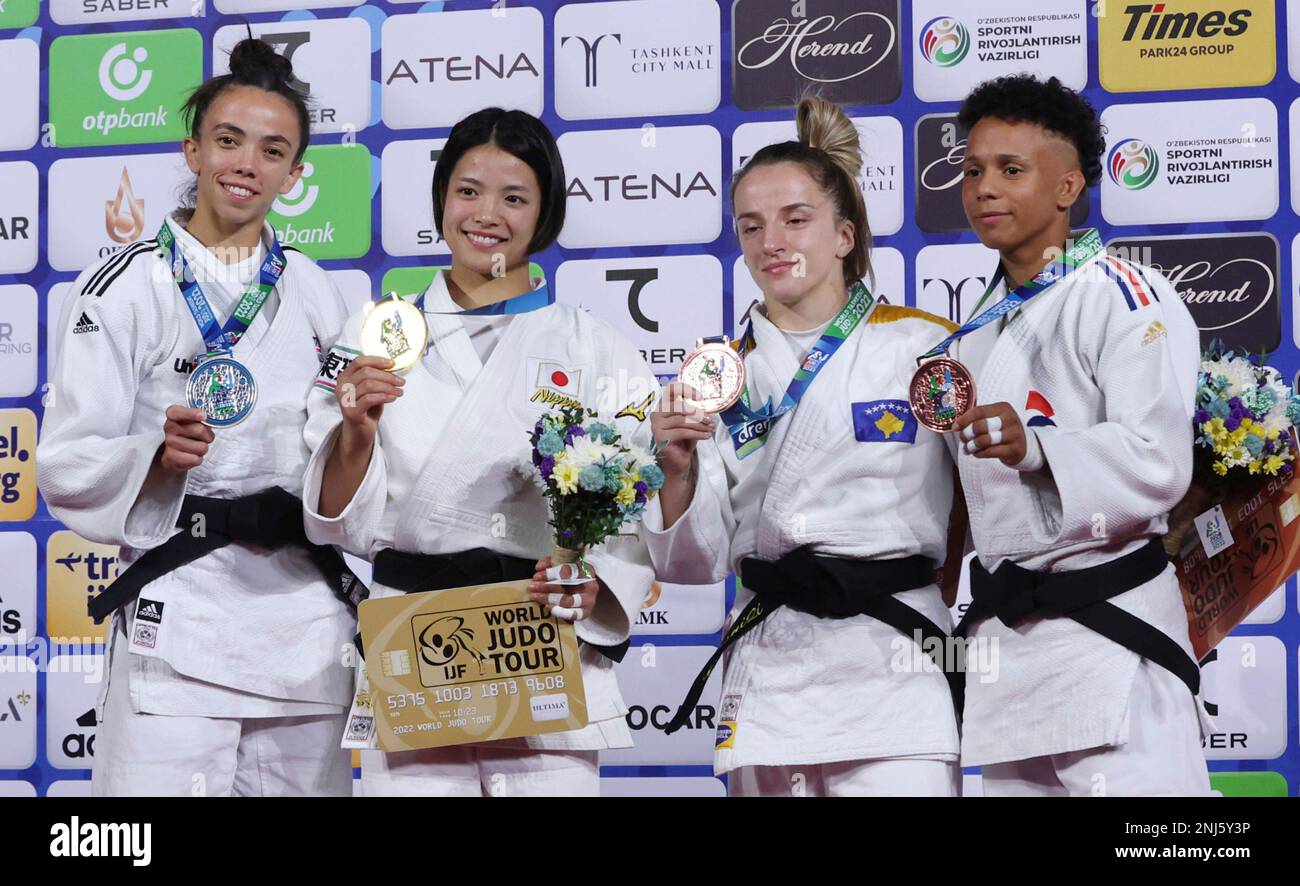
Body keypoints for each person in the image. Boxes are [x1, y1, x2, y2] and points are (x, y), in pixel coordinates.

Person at [303, 107, 658, 797]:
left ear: (545, 213)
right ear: (442, 199)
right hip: (414, 641)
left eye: (514, 197)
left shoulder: (592, 346)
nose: (486, 214)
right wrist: (355, 430)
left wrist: (591, 578)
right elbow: (331, 519)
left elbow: (633, 499)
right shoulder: (376, 331)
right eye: (468, 190)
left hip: (542, 641)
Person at [37, 38, 358, 796]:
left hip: (304, 627)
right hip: (180, 615)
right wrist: (154, 454)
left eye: (272, 149)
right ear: (194, 149)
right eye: (228, 140)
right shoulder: (122, 284)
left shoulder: (316, 291)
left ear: (295, 172)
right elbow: (68, 455)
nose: (248, 163)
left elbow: (335, 456)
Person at [643, 95, 964, 797]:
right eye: (751, 227)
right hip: (771, 664)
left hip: (896, 658)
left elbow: (989, 507)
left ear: (845, 236)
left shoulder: (924, 347)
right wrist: (674, 468)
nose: (771, 243)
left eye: (796, 220)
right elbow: (692, 562)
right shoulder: (719, 375)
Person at [948, 74, 1210, 796]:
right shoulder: (974, 331)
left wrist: (1037, 447)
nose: (984, 189)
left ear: (1067, 187)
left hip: (1110, 635)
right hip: (1010, 647)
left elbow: (1158, 462)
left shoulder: (1125, 295)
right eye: (973, 171)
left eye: (1010, 170)